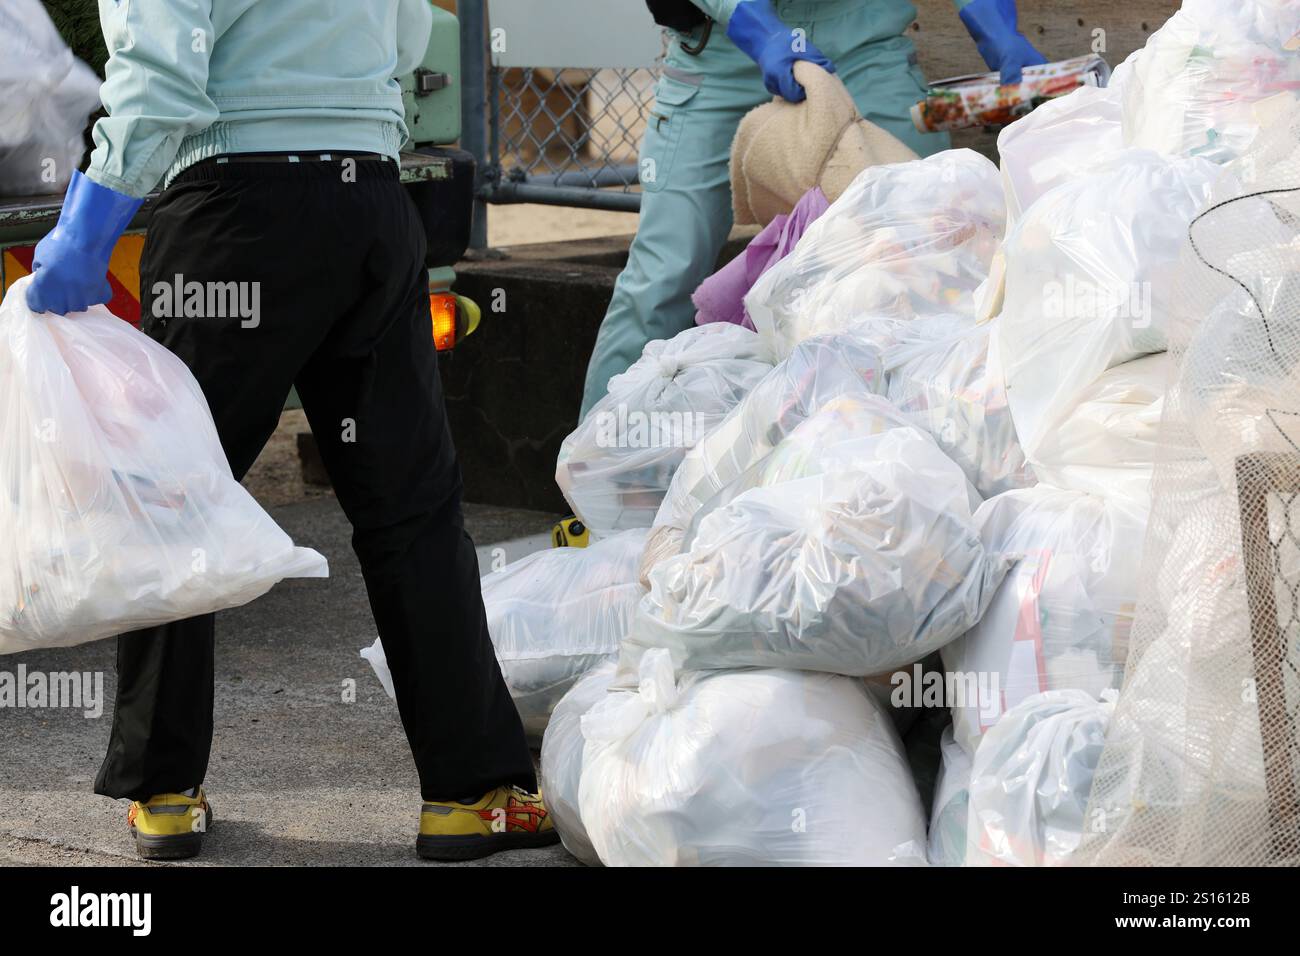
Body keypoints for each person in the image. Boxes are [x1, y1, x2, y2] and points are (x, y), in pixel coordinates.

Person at [25, 0, 556, 863]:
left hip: (232, 214)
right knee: (412, 509)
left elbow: (160, 67)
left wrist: (92, 223)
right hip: (370, 203)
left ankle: (164, 790)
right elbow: (408, 35)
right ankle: (471, 794)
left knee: (177, 497)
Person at [579, 0, 1045, 417]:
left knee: (932, 247)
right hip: (723, 54)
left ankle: (942, 458)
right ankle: (598, 478)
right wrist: (759, 29)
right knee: (664, 274)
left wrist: (997, 29)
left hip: (862, 44)